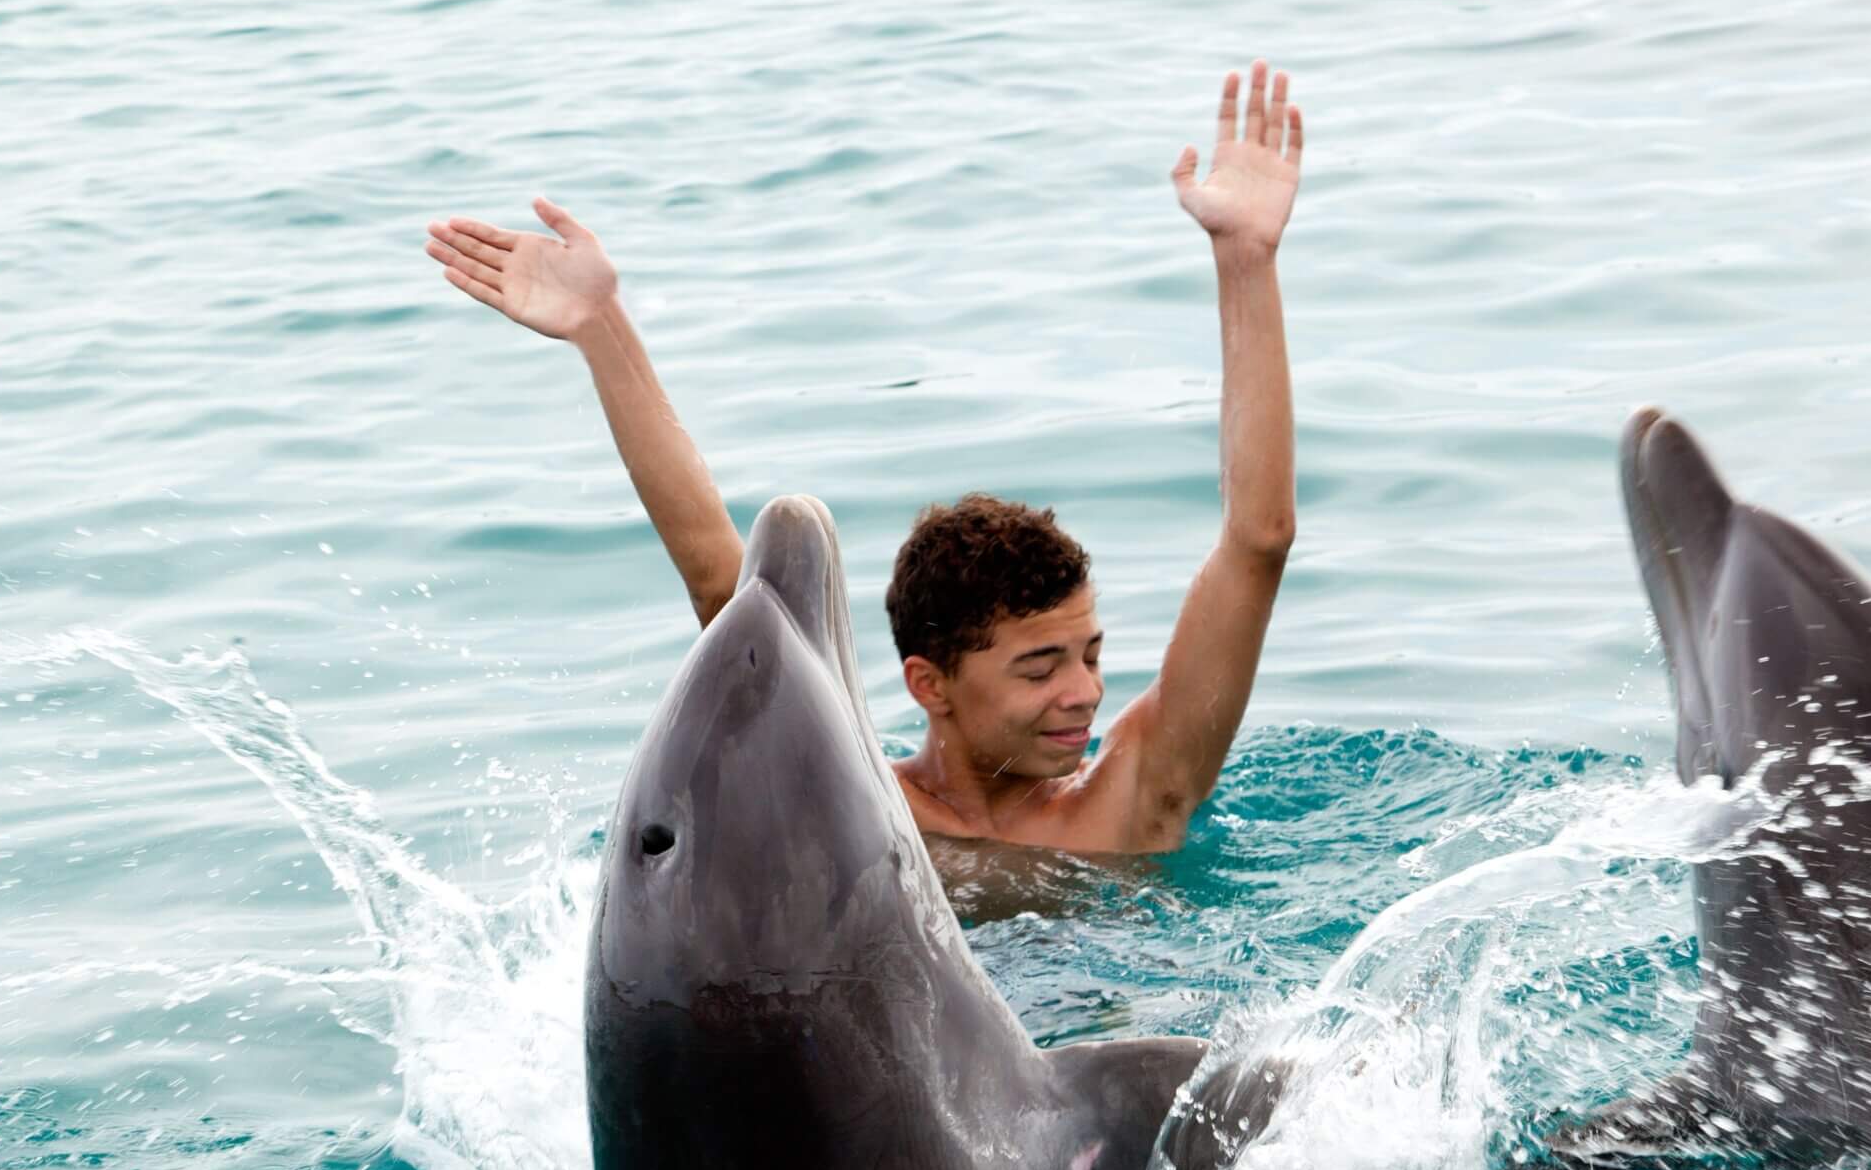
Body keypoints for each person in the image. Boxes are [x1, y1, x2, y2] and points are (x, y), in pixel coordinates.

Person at [424, 62, 1303, 856]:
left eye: (1090, 654)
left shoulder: (1132, 804)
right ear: (930, 684)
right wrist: (600, 329)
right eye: (1040, 668)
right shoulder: (864, 808)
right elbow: (723, 586)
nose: (1084, 694)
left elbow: (1257, 540)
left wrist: (1246, 263)